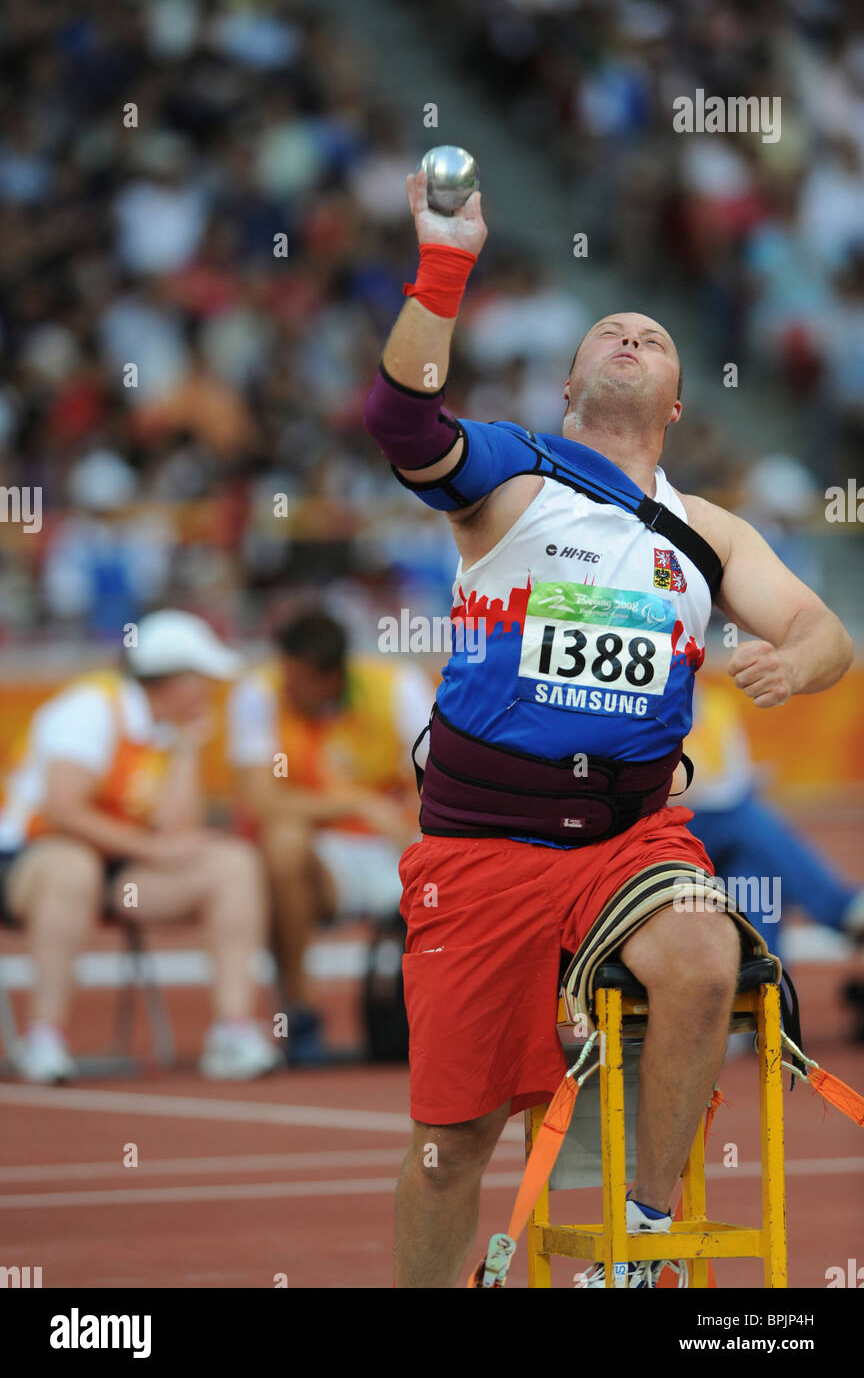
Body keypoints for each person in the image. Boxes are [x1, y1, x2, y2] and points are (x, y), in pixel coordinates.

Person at [362, 170, 854, 1288]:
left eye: (655, 334)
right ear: (572, 381)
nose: (633, 331)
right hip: (482, 847)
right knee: (449, 1150)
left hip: (628, 839)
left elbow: (827, 629)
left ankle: (637, 1244)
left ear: (677, 403)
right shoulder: (512, 475)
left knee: (701, 948)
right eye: (611, 330)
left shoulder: (709, 530)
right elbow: (400, 420)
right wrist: (445, 263)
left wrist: (800, 661)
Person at [0, 610, 281, 1085]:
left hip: (118, 865)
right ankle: (43, 1036)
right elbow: (64, 810)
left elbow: (177, 832)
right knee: (74, 868)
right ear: (170, 679)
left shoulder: (169, 726)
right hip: (34, 858)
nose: (211, 690)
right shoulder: (92, 707)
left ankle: (232, 1030)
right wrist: (154, 853)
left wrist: (188, 748)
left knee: (232, 862)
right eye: (202, 678)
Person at [226, 610, 433, 1065]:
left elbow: (437, 783)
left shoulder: (397, 687)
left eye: (298, 680)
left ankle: (443, 1019)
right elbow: (262, 801)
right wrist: (356, 804)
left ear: (331, 677)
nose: (288, 688)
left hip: (396, 845)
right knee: (281, 842)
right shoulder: (259, 693)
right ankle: (301, 1014)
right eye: (285, 674)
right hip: (324, 859)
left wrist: (412, 832)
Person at [677, 676, 864, 960]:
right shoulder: (651, 711)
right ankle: (840, 908)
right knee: (746, 817)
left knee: (754, 874)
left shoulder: (716, 705)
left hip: (721, 826)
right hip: (678, 831)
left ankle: (766, 978)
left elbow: (733, 773)